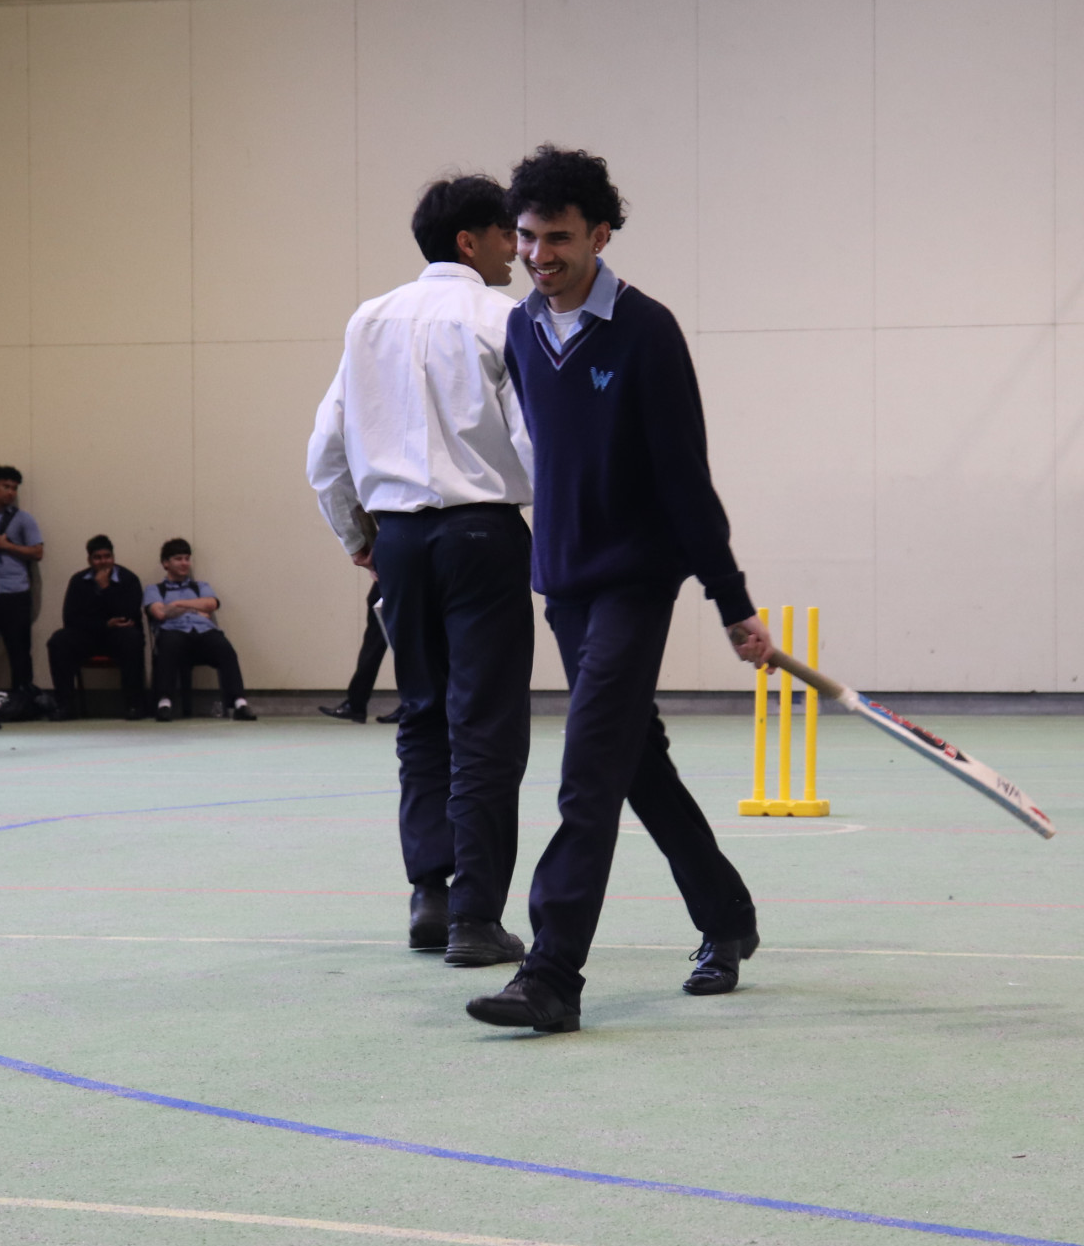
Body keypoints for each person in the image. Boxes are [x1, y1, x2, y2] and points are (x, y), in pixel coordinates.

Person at [466, 146, 774, 1032]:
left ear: (600, 234)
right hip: (561, 585)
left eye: (558, 238)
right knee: (636, 764)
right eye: (526, 237)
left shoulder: (648, 331)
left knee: (588, 772)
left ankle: (552, 973)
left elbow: (685, 479)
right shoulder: (522, 330)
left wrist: (730, 600)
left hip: (635, 585)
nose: (538, 255)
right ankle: (729, 919)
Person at [307, 173, 532, 966]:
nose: (520, 247)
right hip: (482, 533)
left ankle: (428, 896)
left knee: (423, 714)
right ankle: (477, 915)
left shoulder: (368, 320)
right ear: (470, 240)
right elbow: (534, 439)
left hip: (398, 539)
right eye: (509, 233)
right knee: (488, 724)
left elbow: (325, 449)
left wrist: (356, 535)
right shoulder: (507, 318)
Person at [144, 538, 254, 722]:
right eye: (178, 558)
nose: (184, 563)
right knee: (168, 645)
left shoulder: (201, 586)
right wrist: (196, 608)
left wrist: (177, 604)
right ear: (166, 563)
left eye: (187, 558)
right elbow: (160, 613)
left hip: (203, 633)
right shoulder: (154, 589)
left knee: (224, 647)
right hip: (174, 633)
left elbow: (211, 604)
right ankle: (164, 703)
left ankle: (239, 703)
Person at [47, 535, 146, 720]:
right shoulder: (78, 581)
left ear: (113, 557)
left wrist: (106, 588)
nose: (103, 562)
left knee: (132, 638)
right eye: (98, 557)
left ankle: (135, 705)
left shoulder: (129, 579)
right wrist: (104, 623)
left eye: (107, 556)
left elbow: (129, 613)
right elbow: (70, 618)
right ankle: (65, 705)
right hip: (89, 635)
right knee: (59, 641)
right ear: (89, 560)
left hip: (118, 636)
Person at [0, 465, 45, 718]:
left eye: (14, 488)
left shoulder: (23, 519)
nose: (10, 492)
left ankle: (23, 699)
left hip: (15, 592)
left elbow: (38, 552)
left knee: (19, 649)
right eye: (5, 486)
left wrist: (8, 546)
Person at [317, 580, 402, 724]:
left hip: (400, 574)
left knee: (387, 641)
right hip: (394, 575)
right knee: (379, 639)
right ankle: (357, 702)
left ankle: (357, 703)